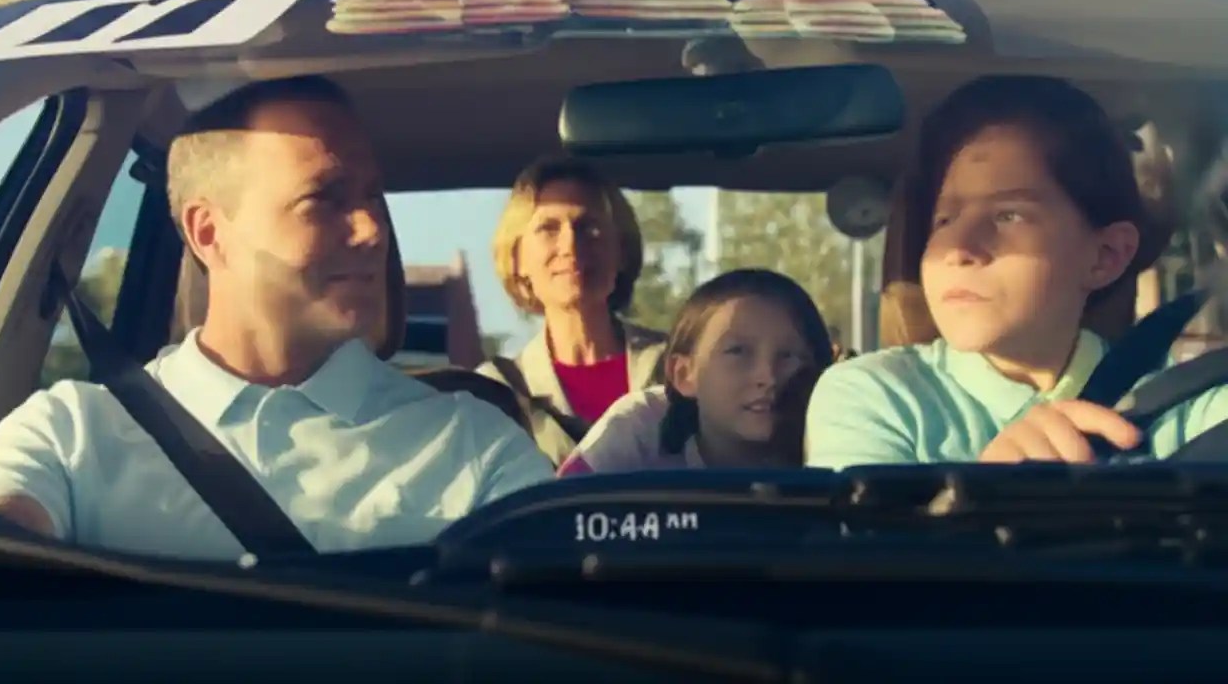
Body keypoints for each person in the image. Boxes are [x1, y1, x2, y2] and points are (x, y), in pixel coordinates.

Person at [0, 75, 553, 559]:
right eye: (324, 198)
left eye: (373, 196)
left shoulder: (474, 444)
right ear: (210, 232)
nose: (374, 230)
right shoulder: (70, 435)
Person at [805, 74, 1228, 468]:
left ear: (1106, 256)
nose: (959, 250)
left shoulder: (1183, 401)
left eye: (1009, 216)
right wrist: (989, 497)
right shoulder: (875, 396)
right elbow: (863, 548)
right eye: (944, 220)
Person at [477, 156, 666, 466]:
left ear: (621, 251)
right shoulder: (497, 391)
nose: (571, 246)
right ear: (518, 258)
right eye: (549, 229)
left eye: (588, 227)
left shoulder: (678, 368)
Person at [558, 269, 833, 475]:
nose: (768, 376)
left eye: (788, 356)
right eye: (738, 351)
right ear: (683, 374)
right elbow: (557, 518)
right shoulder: (641, 426)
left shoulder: (838, 439)